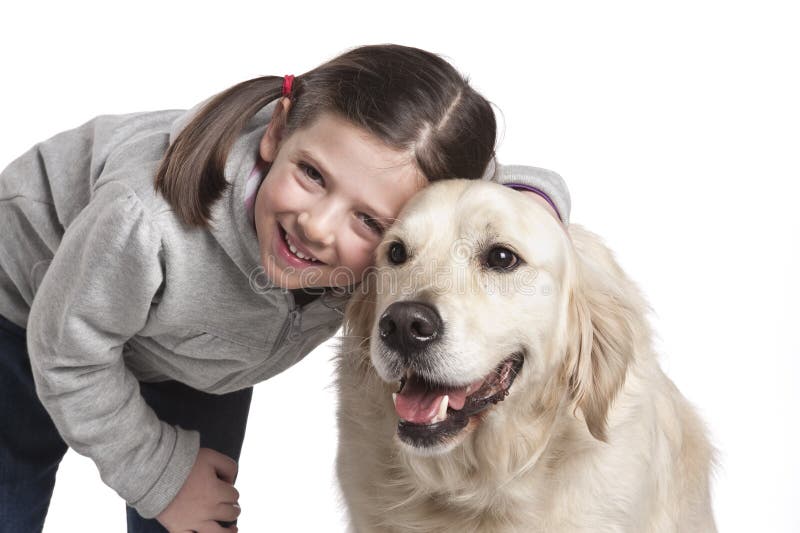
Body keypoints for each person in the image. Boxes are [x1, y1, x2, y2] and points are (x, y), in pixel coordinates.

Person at [0, 44, 570, 533]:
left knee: (203, 510)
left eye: (370, 222)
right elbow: (67, 355)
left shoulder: (409, 222)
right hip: (29, 313)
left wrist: (519, 223)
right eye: (313, 175)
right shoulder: (144, 224)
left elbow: (531, 187)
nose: (317, 227)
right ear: (278, 129)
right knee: (15, 484)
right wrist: (162, 478)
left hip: (198, 346)